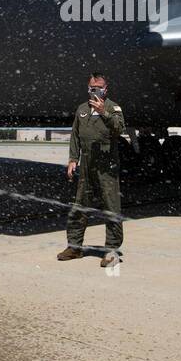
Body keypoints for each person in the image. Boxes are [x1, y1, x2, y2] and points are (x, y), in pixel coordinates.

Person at [58, 73, 125, 267]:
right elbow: (75, 136)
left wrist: (104, 112)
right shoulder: (82, 109)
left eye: (98, 87)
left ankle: (112, 251)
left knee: (111, 208)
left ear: (106, 89)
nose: (94, 90)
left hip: (107, 166)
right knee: (79, 206)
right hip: (87, 165)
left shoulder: (113, 108)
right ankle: (74, 247)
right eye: (91, 87)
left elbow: (119, 129)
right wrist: (73, 159)